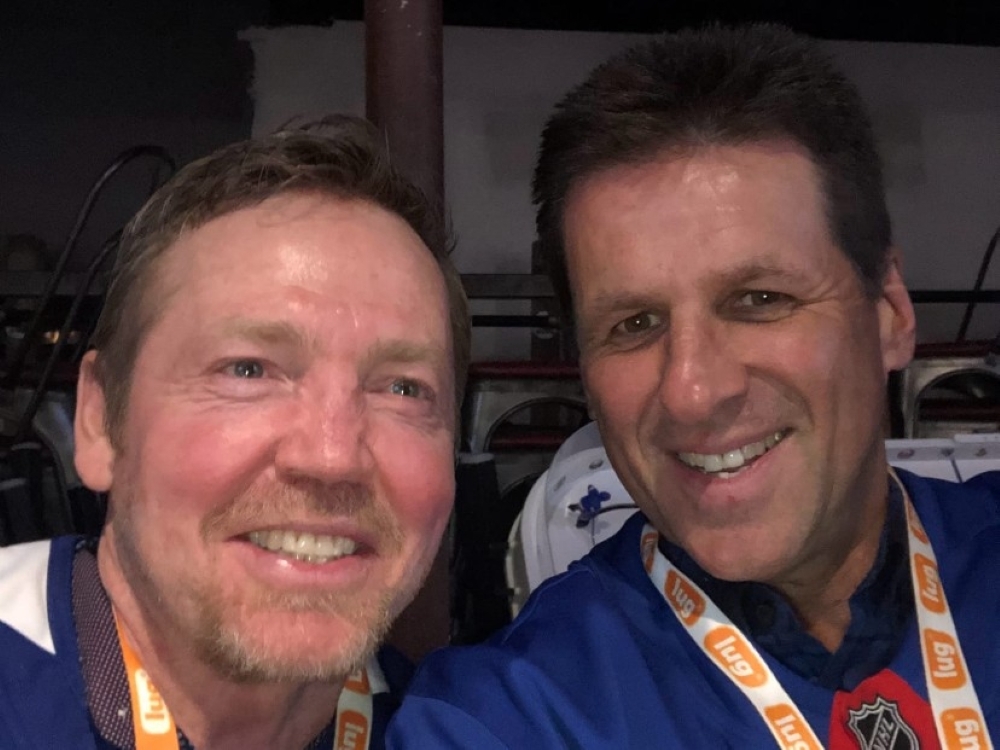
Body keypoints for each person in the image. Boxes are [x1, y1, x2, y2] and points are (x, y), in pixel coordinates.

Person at [388, 24, 1000, 748]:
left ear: (889, 312)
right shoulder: (511, 717)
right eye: (634, 323)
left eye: (760, 299)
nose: (693, 391)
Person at [0, 115, 470, 749]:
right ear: (100, 420)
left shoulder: (456, 729)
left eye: (403, 388)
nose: (332, 456)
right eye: (248, 369)